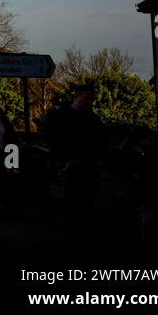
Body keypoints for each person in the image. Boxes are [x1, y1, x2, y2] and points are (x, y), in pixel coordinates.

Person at [49, 85, 108, 235]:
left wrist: (100, 160)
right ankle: (74, 230)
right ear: (77, 96)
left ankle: (85, 229)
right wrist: (63, 160)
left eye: (91, 98)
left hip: (90, 166)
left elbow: (102, 141)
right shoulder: (61, 116)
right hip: (71, 166)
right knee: (73, 200)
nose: (89, 101)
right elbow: (54, 140)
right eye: (86, 97)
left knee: (87, 200)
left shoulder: (93, 118)